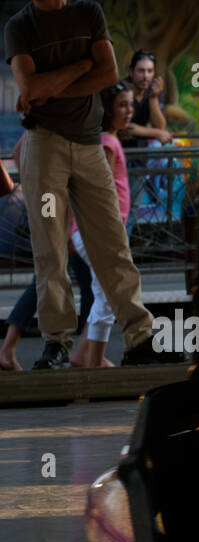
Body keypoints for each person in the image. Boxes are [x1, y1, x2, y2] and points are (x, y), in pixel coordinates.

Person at [4, 0, 168, 367]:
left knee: (113, 243)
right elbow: (29, 85)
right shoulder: (20, 25)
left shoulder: (88, 12)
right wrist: (81, 68)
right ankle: (56, 343)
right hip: (44, 147)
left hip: (90, 146)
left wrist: (47, 88)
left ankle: (139, 337)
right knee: (49, 247)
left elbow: (108, 74)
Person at [0, 142, 93, 371]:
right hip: (58, 210)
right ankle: (84, 353)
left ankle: (10, 348)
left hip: (53, 206)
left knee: (46, 277)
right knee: (76, 280)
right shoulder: (51, 127)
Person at [64, 81, 134, 368]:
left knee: (102, 292)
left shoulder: (108, 140)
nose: (129, 110)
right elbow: (94, 190)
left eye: (131, 104)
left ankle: (86, 356)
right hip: (99, 232)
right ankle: (93, 360)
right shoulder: (105, 142)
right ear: (106, 110)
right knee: (107, 294)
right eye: (122, 105)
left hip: (98, 232)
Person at [118, 49, 172, 221]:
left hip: (139, 157)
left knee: (133, 208)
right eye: (141, 71)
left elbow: (160, 124)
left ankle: (124, 247)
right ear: (131, 71)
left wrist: (154, 98)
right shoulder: (122, 90)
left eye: (150, 71)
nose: (145, 76)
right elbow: (124, 127)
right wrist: (156, 133)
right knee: (117, 208)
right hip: (117, 155)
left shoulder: (153, 92)